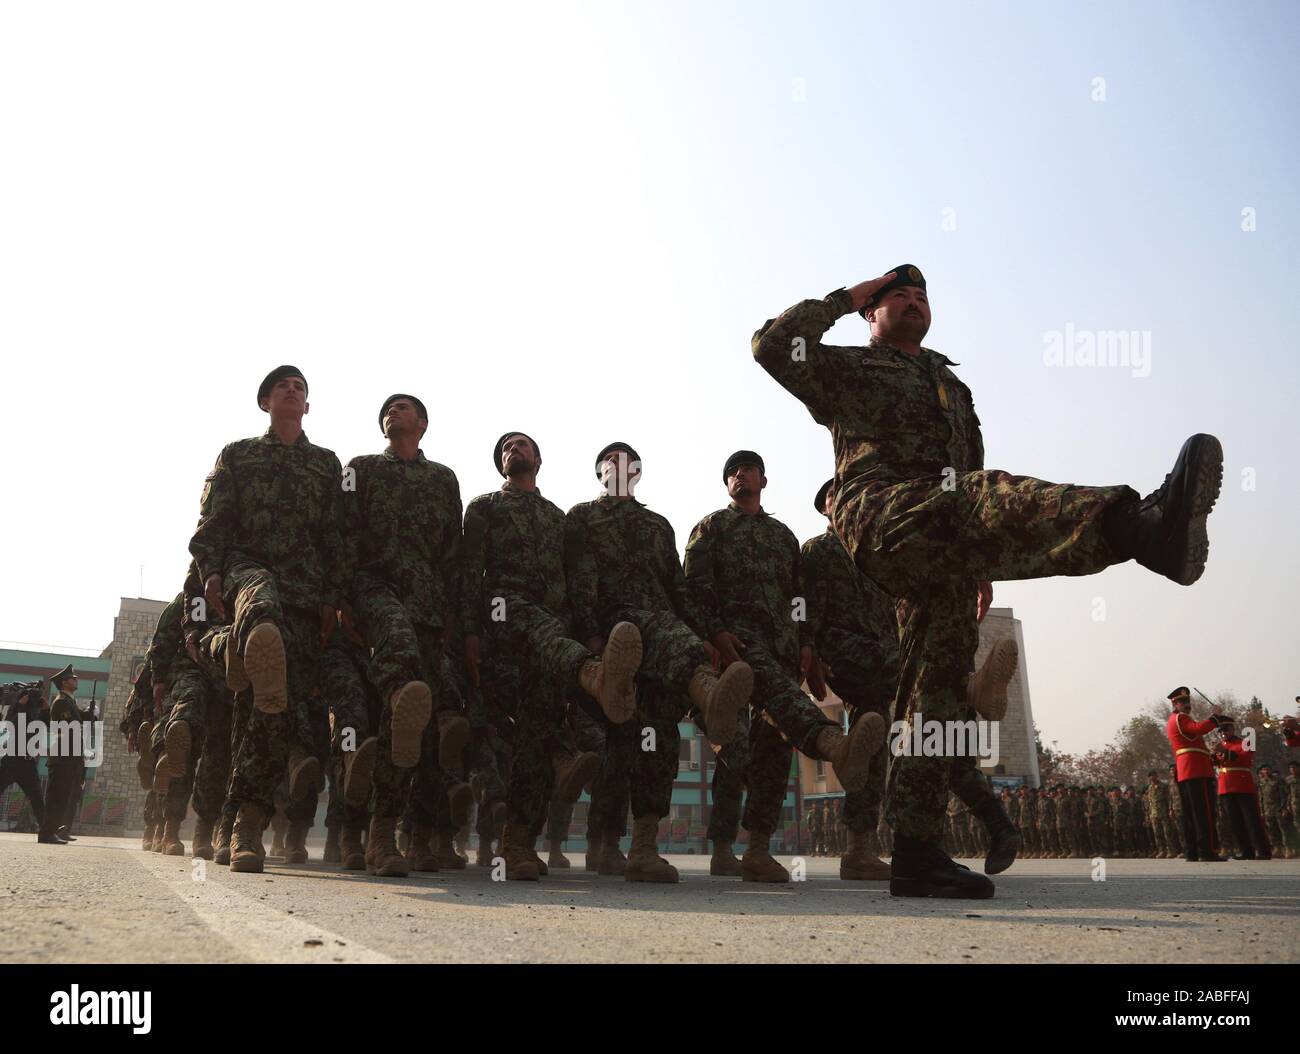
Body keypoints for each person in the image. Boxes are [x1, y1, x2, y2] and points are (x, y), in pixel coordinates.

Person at [753, 266, 1224, 897]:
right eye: (899, 295)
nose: (915, 301)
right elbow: (772, 346)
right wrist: (851, 293)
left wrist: (976, 567)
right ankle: (1139, 526)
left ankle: (917, 852)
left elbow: (965, 465)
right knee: (974, 496)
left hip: (945, 544)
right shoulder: (848, 369)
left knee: (934, 688)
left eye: (923, 296)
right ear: (871, 313)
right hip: (886, 513)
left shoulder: (953, 388)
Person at [684, 451, 884, 882]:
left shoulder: (783, 537)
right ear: (727, 484)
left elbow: (798, 599)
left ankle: (755, 850)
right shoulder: (713, 527)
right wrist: (715, 633)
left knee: (772, 748)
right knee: (739, 744)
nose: (741, 475)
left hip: (781, 650)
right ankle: (833, 744)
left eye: (748, 469)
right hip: (737, 649)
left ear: (763, 479)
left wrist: (806, 643)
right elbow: (696, 587)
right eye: (733, 471)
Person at [565, 441, 753, 882]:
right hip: (617, 632)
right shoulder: (582, 518)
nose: (618, 464)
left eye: (626, 459)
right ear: (599, 472)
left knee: (657, 737)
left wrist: (705, 634)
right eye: (610, 459)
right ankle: (604, 845)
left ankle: (644, 847)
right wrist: (591, 635)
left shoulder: (657, 525)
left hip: (664, 642)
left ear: (638, 471)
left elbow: (677, 586)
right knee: (619, 740)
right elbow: (580, 579)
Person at [459, 431, 644, 880]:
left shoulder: (559, 519)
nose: (512, 450)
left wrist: (589, 634)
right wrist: (467, 631)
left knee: (535, 735)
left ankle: (518, 844)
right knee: (530, 625)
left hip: (551, 642)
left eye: (521, 445)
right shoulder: (485, 507)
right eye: (504, 447)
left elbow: (578, 583)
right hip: (504, 616)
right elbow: (469, 572)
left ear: (538, 459)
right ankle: (594, 677)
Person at [189, 366, 345, 873]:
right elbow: (214, 521)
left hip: (303, 595)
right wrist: (211, 571)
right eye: (282, 385)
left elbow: (334, 536)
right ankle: (248, 637)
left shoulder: (326, 464)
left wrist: (331, 597)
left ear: (307, 405)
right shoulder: (238, 455)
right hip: (247, 570)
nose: (292, 390)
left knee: (267, 713)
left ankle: (242, 823)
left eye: (300, 387)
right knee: (260, 605)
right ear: (265, 402)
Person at [1165, 686, 1229, 861]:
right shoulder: (1181, 718)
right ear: (1174, 704)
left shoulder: (1174, 720)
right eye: (1182, 702)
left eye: (1187, 701)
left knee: (1190, 814)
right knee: (1204, 812)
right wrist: (1215, 717)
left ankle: (1192, 851)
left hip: (1186, 769)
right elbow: (1198, 728)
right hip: (1196, 769)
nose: (1186, 705)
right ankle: (1207, 850)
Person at [1212, 720, 1270, 860]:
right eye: (1221, 731)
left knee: (1251, 819)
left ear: (1232, 729)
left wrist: (1223, 752)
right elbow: (1215, 763)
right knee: (1234, 821)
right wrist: (1213, 754)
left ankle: (1263, 850)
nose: (1223, 734)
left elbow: (1244, 758)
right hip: (1225, 786)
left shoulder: (1245, 742)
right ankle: (1246, 851)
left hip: (1242, 784)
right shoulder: (1220, 746)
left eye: (1226, 730)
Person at [1, 682, 48, 834]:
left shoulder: (34, 714)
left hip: (27, 762)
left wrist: (46, 709)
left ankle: (47, 832)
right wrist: (21, 707)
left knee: (37, 798)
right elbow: (15, 727)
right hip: (12, 760)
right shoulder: (16, 712)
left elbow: (45, 725)